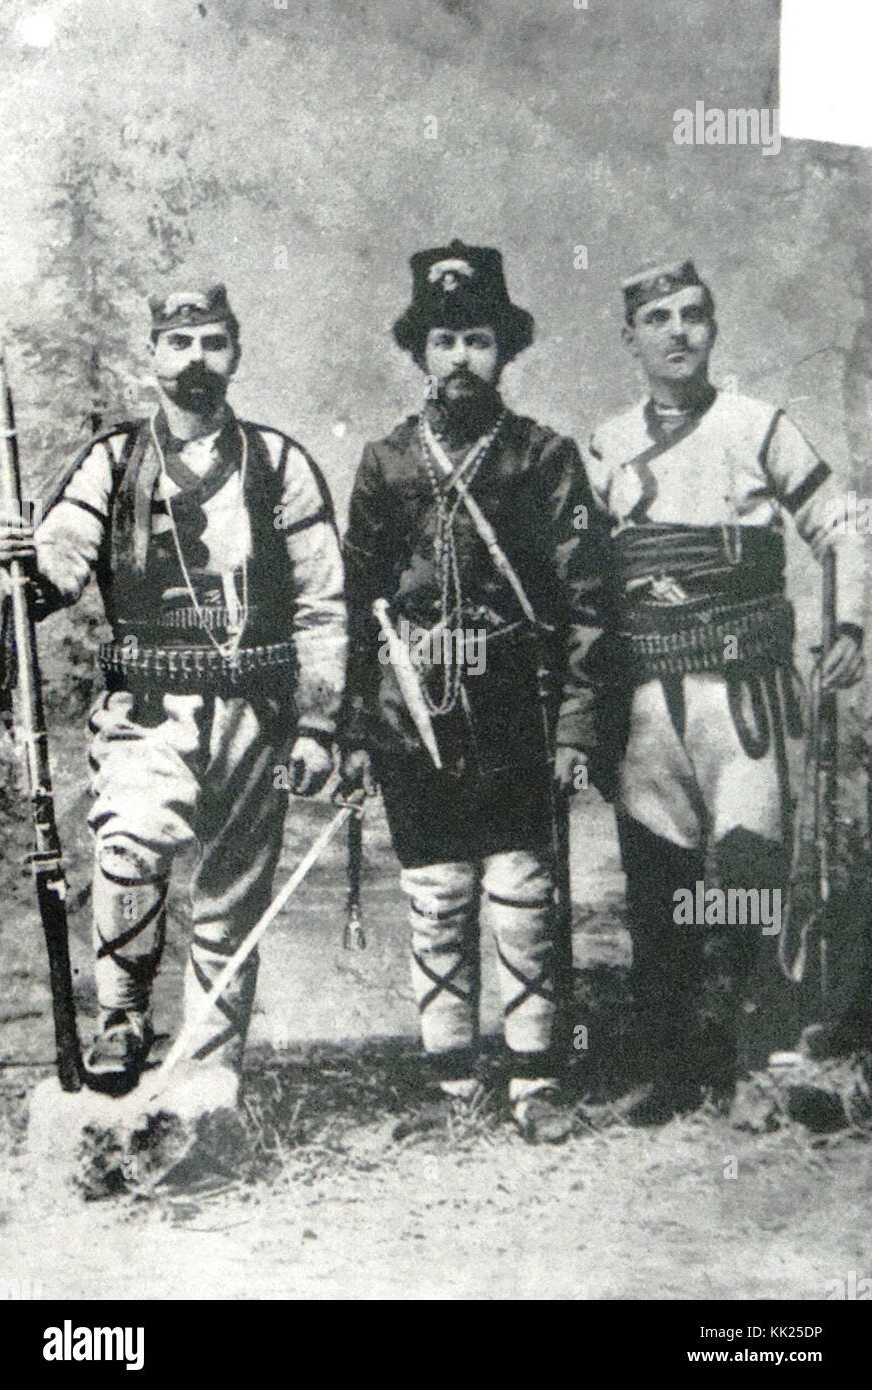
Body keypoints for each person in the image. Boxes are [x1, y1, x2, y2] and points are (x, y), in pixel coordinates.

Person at [0, 284, 347, 1106]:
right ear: (153, 355)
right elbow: (55, 574)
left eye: (213, 343)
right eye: (179, 343)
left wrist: (320, 723)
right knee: (130, 848)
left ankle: (209, 1059)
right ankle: (120, 1023)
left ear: (235, 352)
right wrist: (18, 557)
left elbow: (323, 602)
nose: (196, 361)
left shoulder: (279, 463)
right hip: (146, 709)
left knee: (233, 892)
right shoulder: (113, 463)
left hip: (256, 710)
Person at [585, 259, 865, 1123]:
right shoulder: (604, 446)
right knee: (660, 878)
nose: (678, 332)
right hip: (644, 697)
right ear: (629, 338)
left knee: (747, 870)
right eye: (658, 318)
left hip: (744, 694)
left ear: (713, 327)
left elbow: (842, 523)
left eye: (694, 314)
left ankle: (758, 1062)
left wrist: (848, 626)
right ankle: (670, 1066)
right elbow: (582, 573)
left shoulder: (759, 426)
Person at [340, 240, 605, 1142]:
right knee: (437, 896)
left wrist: (574, 725)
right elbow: (353, 604)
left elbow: (586, 602)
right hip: (415, 718)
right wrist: (354, 730)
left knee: (524, 895)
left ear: (505, 351)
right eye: (445, 339)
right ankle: (454, 1086)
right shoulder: (382, 464)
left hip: (515, 715)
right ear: (420, 350)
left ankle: (537, 1084)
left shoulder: (542, 457)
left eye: (479, 339)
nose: (461, 358)